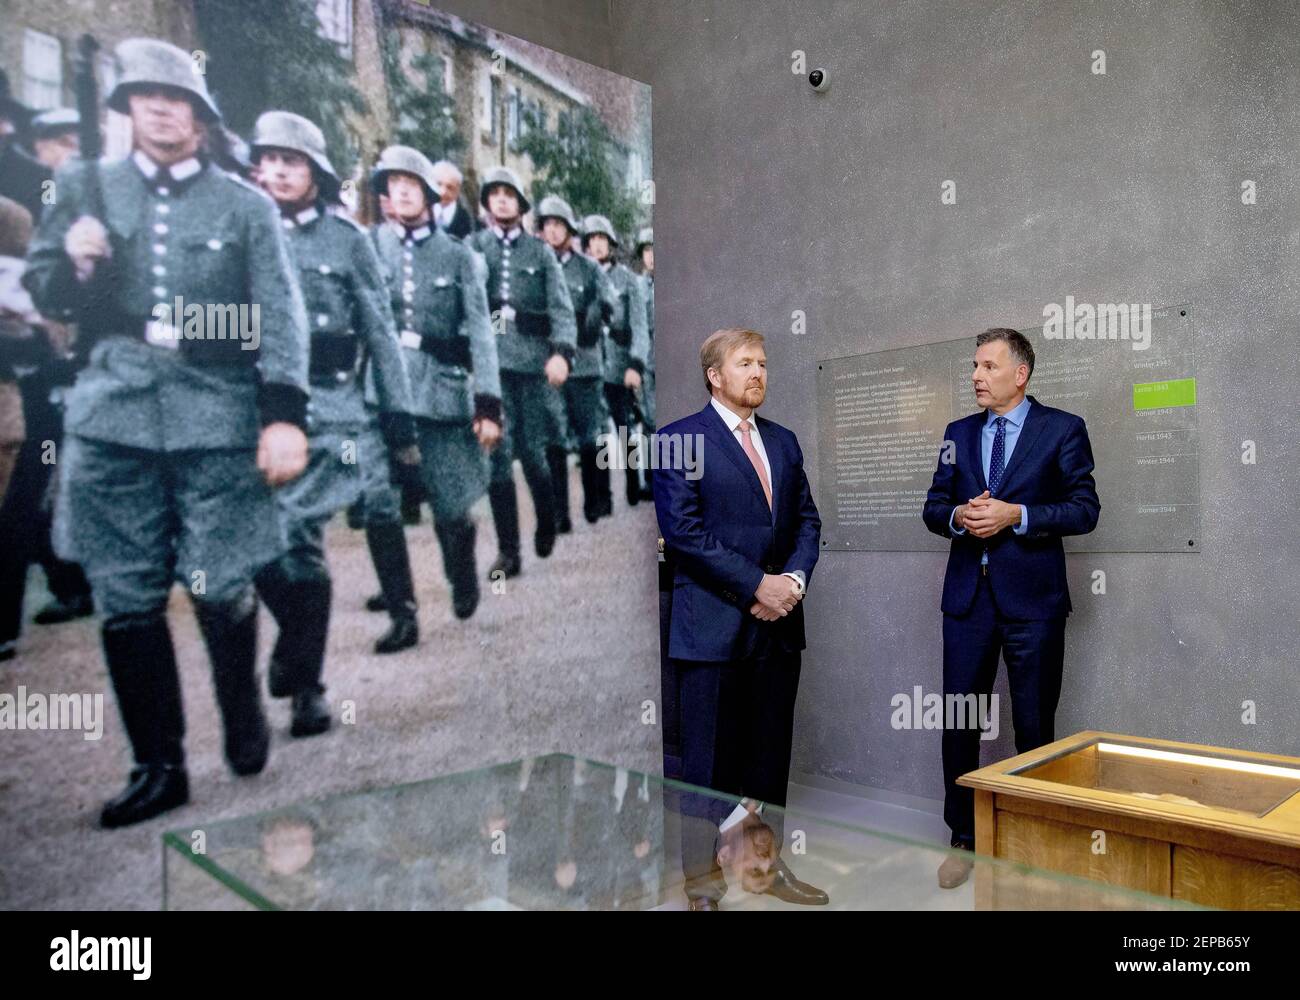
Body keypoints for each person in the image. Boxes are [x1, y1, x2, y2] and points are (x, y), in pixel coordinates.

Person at [23, 38, 310, 828]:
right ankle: (159, 764)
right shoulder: (83, 186)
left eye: (176, 97)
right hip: (110, 414)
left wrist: (283, 413)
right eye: (143, 96)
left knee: (220, 583)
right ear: (125, 109)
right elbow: (45, 289)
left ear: (200, 116)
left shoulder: (244, 206)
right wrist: (77, 265)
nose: (160, 108)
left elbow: (277, 316)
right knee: (126, 595)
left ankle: (242, 707)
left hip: (214, 415)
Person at [249, 112, 417, 731]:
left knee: (298, 539)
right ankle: (294, 644)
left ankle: (307, 689)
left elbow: (379, 330)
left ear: (316, 174)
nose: (278, 171)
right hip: (249, 407)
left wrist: (397, 416)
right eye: (268, 160)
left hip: (328, 409)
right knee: (251, 550)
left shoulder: (347, 241)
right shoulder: (243, 224)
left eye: (291, 162)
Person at [653, 327, 827, 909]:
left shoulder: (783, 441)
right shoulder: (679, 439)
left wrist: (792, 583)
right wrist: (757, 585)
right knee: (705, 766)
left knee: (769, 757)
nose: (759, 373)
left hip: (778, 628)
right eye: (746, 363)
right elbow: (684, 535)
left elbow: (807, 522)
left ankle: (768, 867)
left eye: (763, 363)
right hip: (712, 631)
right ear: (714, 375)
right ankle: (702, 888)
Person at [922, 327, 1100, 888]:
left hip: (1034, 605)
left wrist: (1015, 515)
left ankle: (1033, 839)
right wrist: (959, 517)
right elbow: (933, 507)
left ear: (1019, 374)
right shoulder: (957, 432)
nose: (975, 375)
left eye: (987, 367)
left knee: (1033, 724)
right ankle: (963, 838)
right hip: (967, 603)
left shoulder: (1063, 429)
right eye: (974, 366)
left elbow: (1083, 510)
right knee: (960, 723)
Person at [370, 145, 502, 623]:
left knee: (450, 503)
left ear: (429, 194)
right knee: (377, 500)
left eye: (410, 184)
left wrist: (487, 404)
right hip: (379, 390)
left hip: (440, 390)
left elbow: (482, 335)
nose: (400, 192)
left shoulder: (458, 256)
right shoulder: (371, 245)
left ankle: (462, 570)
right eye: (392, 184)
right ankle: (401, 613)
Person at [469, 167, 577, 578]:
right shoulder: (475, 247)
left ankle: (547, 517)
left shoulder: (540, 253)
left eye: (508, 194)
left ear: (520, 204)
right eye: (493, 194)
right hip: (491, 366)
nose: (501, 200)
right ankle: (509, 551)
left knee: (533, 452)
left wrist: (561, 354)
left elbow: (561, 310)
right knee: (496, 456)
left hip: (532, 366)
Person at [535, 195, 614, 528]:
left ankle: (596, 499)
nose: (553, 231)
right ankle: (559, 513)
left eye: (559, 225)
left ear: (570, 230)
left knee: (588, 435)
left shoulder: (589, 267)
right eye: (548, 225)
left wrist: (598, 309)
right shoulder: (538, 263)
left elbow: (610, 300)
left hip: (584, 361)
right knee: (554, 436)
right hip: (551, 362)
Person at [581, 214, 648, 509]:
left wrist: (635, 363)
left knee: (625, 429)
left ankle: (634, 484)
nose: (596, 246)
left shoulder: (627, 280)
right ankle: (603, 497)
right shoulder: (582, 277)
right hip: (590, 363)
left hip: (620, 364)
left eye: (601, 240)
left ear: (610, 244)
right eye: (591, 240)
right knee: (596, 430)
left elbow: (639, 324)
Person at [430, 160, 477, 239]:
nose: (443, 192)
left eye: (450, 187)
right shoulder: (420, 214)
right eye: (438, 184)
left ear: (458, 190)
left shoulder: (469, 221)